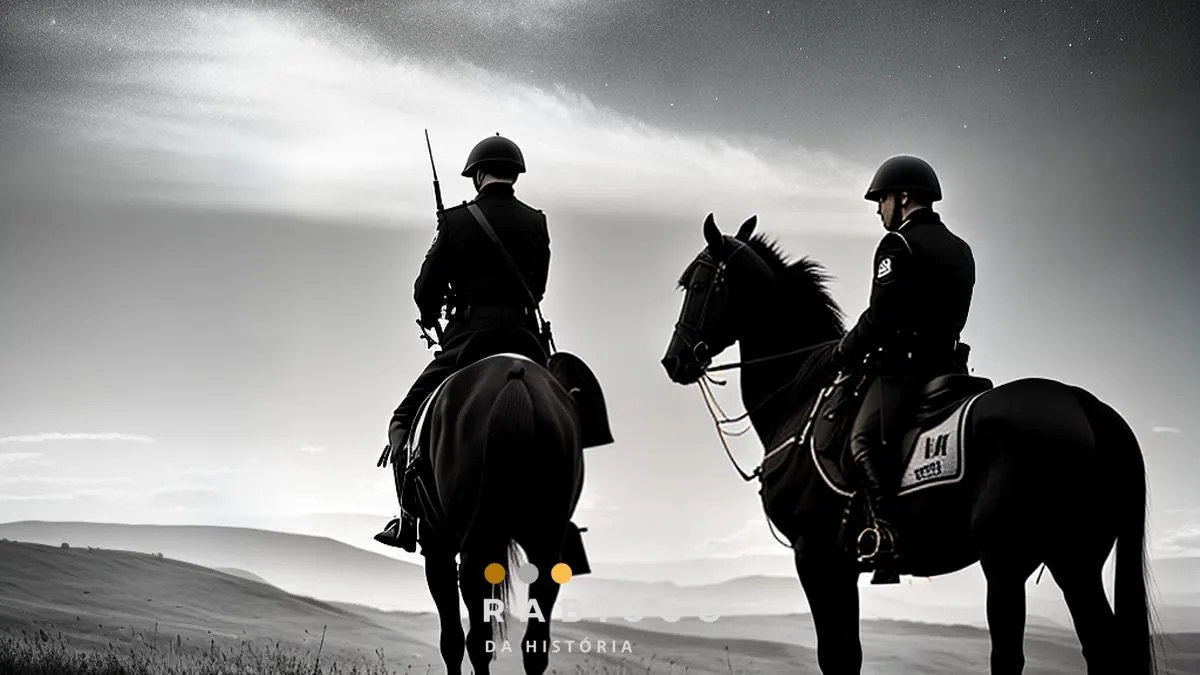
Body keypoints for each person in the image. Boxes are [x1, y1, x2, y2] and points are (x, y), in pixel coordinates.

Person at [374, 133, 552, 552]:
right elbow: (539, 288)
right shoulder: (536, 221)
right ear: (515, 175)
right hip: (527, 342)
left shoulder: (455, 222)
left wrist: (433, 311)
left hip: (469, 342)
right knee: (570, 407)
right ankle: (560, 511)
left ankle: (407, 521)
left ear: (476, 176)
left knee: (403, 418)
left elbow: (425, 291)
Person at [834, 155, 976, 583]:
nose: (879, 209)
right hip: (952, 369)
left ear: (904, 198)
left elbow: (880, 319)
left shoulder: (898, 246)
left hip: (906, 373)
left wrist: (844, 347)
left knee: (861, 439)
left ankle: (885, 533)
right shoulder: (961, 249)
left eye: (882, 200)